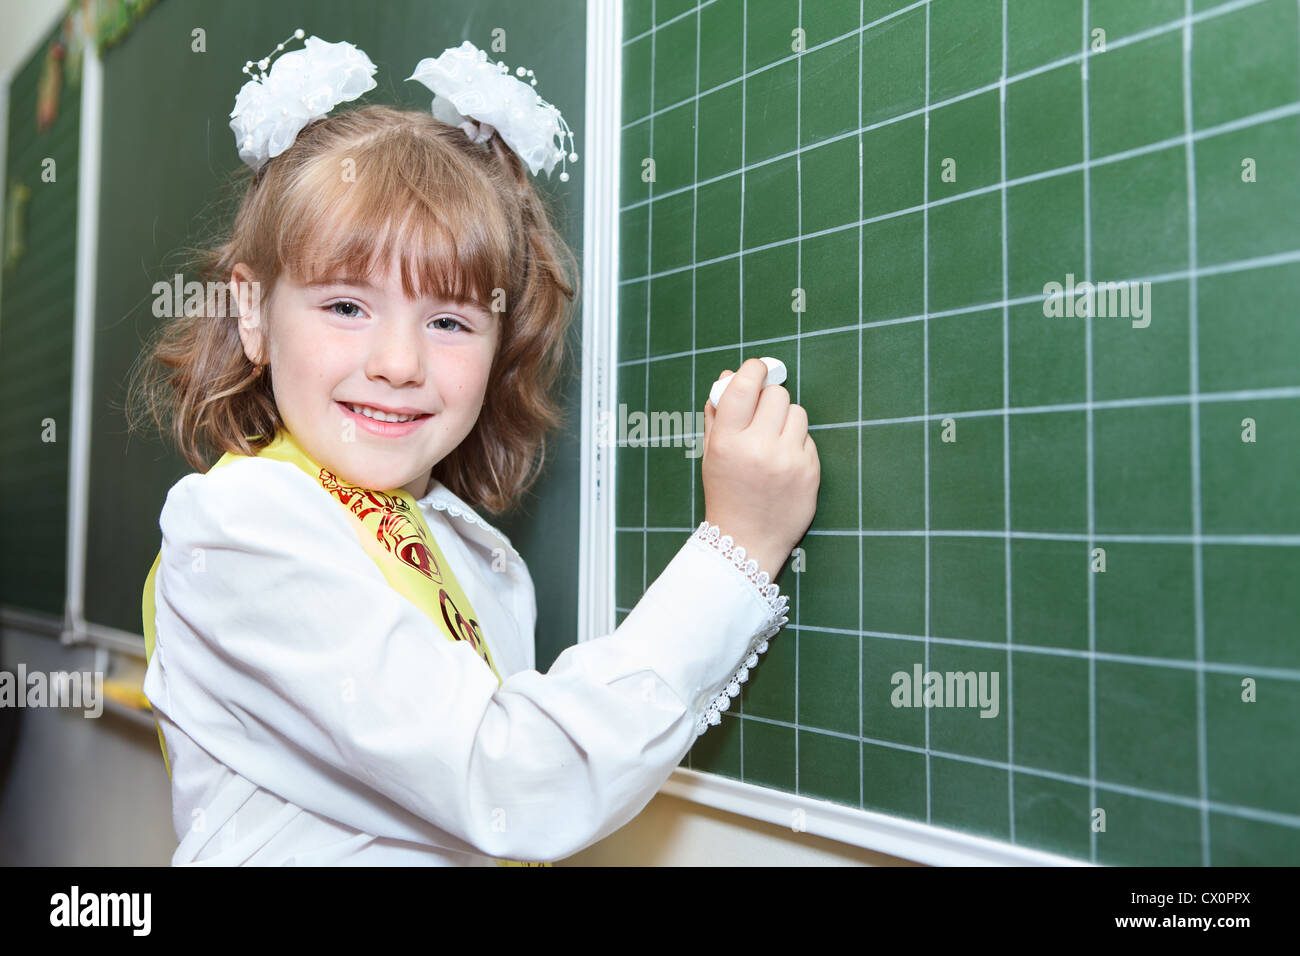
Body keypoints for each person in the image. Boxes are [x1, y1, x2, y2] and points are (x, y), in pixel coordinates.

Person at [127, 32, 820, 866]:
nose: (397, 363)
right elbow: (517, 781)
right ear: (252, 309)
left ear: (501, 342)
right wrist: (735, 552)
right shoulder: (240, 529)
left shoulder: (476, 553)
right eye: (346, 306)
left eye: (450, 321)